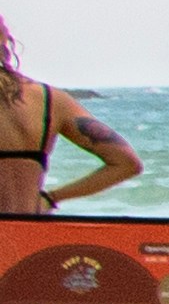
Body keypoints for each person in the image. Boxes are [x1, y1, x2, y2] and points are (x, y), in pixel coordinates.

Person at [0, 20, 144, 214]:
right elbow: (127, 163)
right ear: (7, 41)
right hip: (29, 234)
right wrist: (52, 198)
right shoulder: (50, 99)